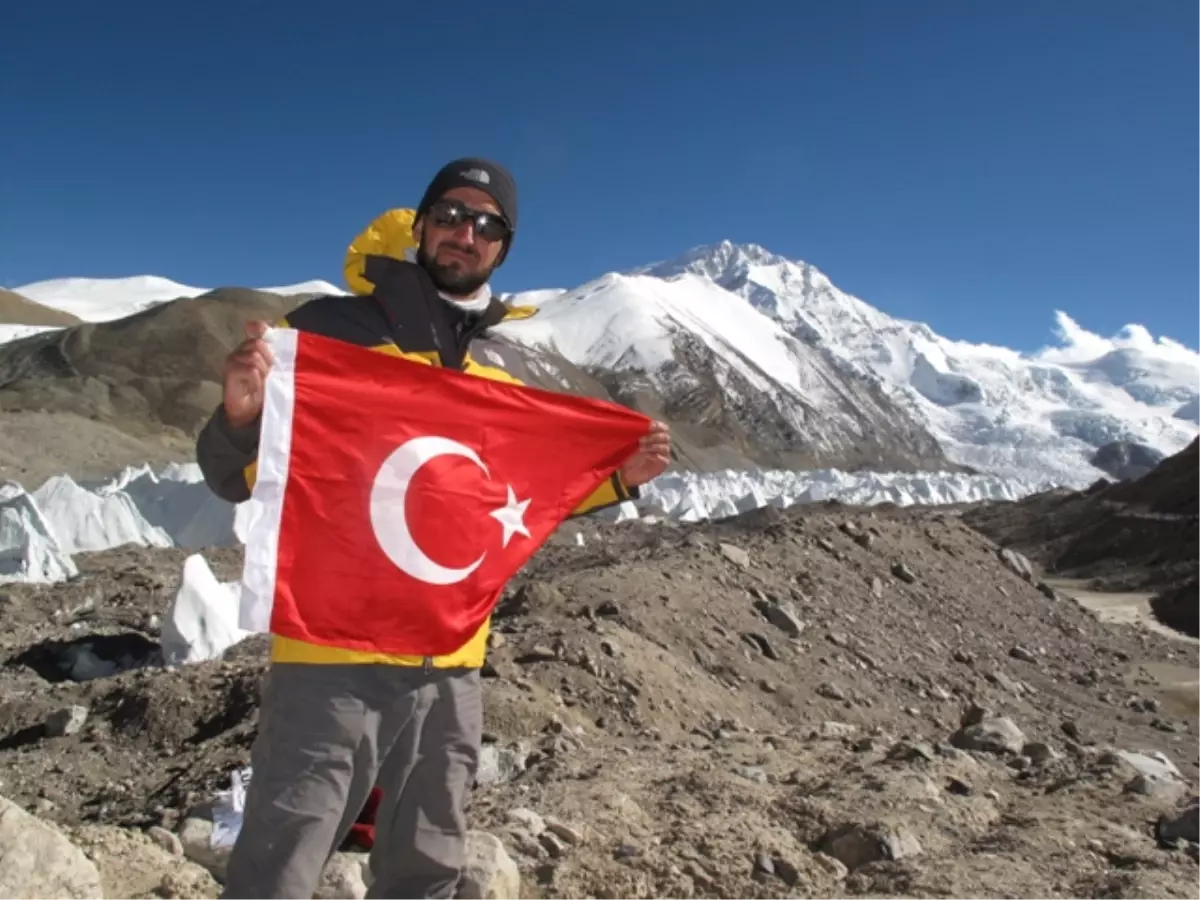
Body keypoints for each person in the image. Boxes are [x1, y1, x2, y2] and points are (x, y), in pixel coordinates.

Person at [195, 156, 671, 900]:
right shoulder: (324, 333)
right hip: (331, 657)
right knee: (279, 865)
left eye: (487, 224)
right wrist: (241, 419)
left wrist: (617, 479)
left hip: (449, 662)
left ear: (503, 247)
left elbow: (510, 499)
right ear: (418, 226)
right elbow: (232, 473)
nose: (464, 233)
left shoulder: (495, 373)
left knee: (426, 864)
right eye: (449, 214)